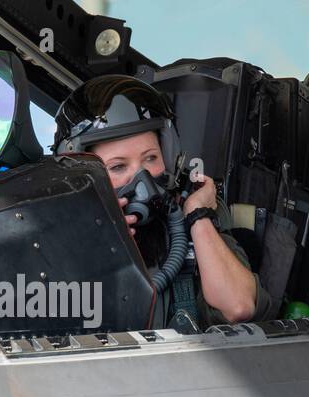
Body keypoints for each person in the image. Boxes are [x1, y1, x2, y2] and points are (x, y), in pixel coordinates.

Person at [53, 75, 274, 329]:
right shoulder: (53, 237)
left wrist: (197, 217)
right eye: (118, 166)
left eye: (150, 158)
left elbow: (238, 306)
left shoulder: (193, 220)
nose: (141, 178)